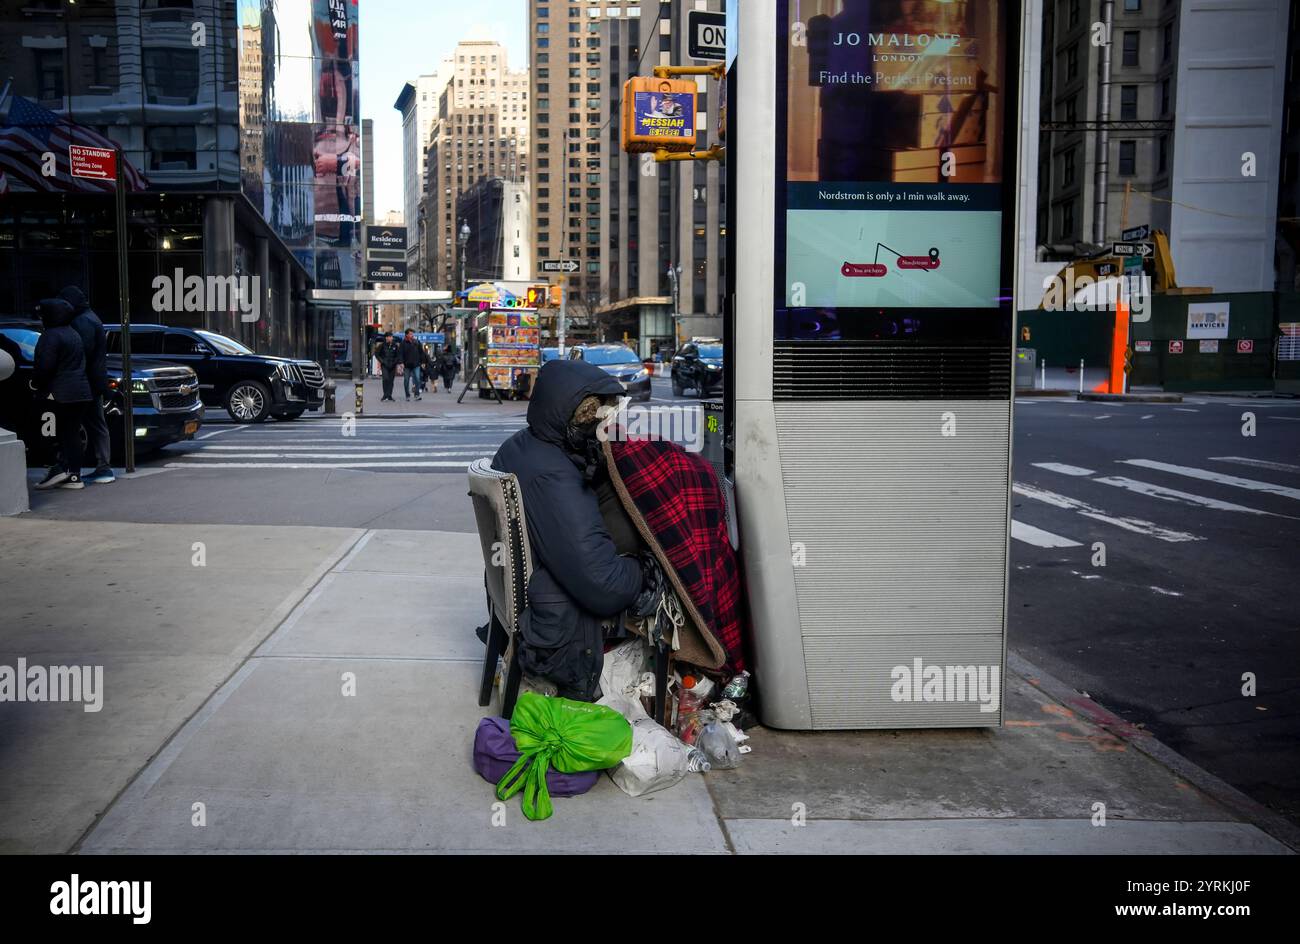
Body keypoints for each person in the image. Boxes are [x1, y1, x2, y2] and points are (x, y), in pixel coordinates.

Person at [491, 359, 659, 700]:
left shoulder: (523, 447)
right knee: (677, 567)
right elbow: (603, 584)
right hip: (556, 594)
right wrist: (645, 569)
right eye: (601, 421)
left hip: (530, 576)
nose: (607, 428)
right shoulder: (554, 477)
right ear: (576, 419)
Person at [32, 298, 94, 491]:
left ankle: (57, 468)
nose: (41, 318)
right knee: (72, 433)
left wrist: (37, 383)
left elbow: (46, 366)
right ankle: (74, 475)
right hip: (81, 390)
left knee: (50, 433)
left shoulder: (51, 335)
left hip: (58, 392)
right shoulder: (73, 334)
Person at [60, 285, 113, 484]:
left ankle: (78, 469)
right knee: (96, 424)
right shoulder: (90, 317)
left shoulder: (82, 321)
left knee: (74, 425)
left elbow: (81, 353)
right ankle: (103, 467)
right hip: (94, 379)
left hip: (85, 381)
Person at [374, 331, 401, 401]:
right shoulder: (382, 345)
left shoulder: (395, 345)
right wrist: (382, 361)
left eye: (391, 337)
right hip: (384, 365)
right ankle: (385, 394)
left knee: (391, 381)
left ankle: (389, 395)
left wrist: (395, 362)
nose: (391, 338)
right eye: (390, 337)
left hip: (393, 365)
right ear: (386, 338)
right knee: (385, 379)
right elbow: (377, 354)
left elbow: (398, 355)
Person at [401, 328, 422, 401]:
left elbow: (421, 352)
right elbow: (400, 354)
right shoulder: (403, 343)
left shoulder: (417, 342)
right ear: (406, 335)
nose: (412, 335)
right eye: (410, 334)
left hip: (416, 364)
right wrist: (401, 363)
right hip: (407, 365)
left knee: (417, 379)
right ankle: (407, 395)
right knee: (406, 380)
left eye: (412, 334)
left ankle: (417, 394)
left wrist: (422, 362)